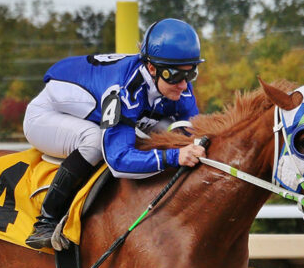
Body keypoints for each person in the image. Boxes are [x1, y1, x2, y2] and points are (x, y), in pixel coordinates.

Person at [23, 18, 207, 249]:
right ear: (152, 68)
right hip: (46, 116)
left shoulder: (174, 81)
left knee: (169, 133)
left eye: (190, 74)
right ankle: (45, 222)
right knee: (95, 142)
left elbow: (190, 134)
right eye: (175, 76)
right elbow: (118, 161)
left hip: (94, 109)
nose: (183, 85)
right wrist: (173, 157)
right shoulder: (123, 92)